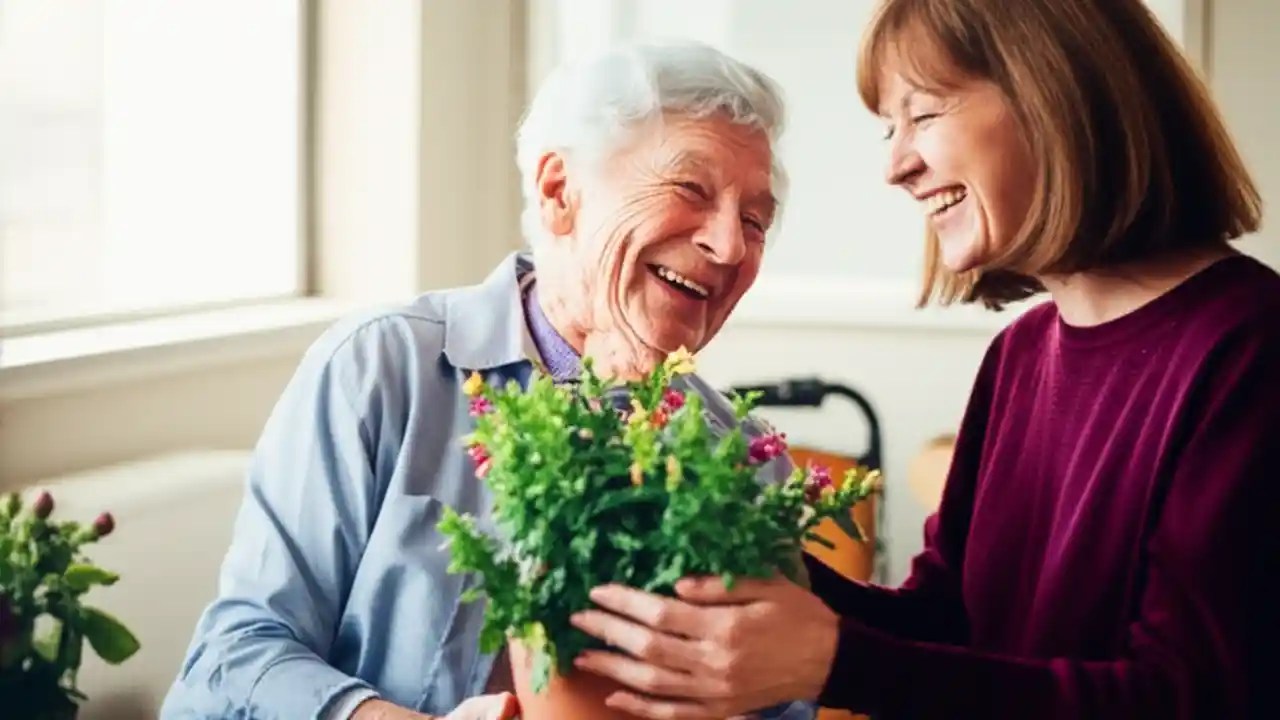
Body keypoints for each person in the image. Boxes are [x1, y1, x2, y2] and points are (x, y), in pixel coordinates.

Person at [567, 1, 1280, 718]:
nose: (896, 166)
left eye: (925, 115)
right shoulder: (1022, 355)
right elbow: (948, 622)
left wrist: (834, 662)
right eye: (889, 128)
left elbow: (1188, 697)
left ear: (1053, 94)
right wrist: (756, 569)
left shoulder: (1249, 347)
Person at [160, 39, 814, 720]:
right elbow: (236, 655)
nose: (730, 245)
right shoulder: (381, 369)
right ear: (560, 192)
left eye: (754, 220)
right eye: (690, 189)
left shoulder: (743, 464)